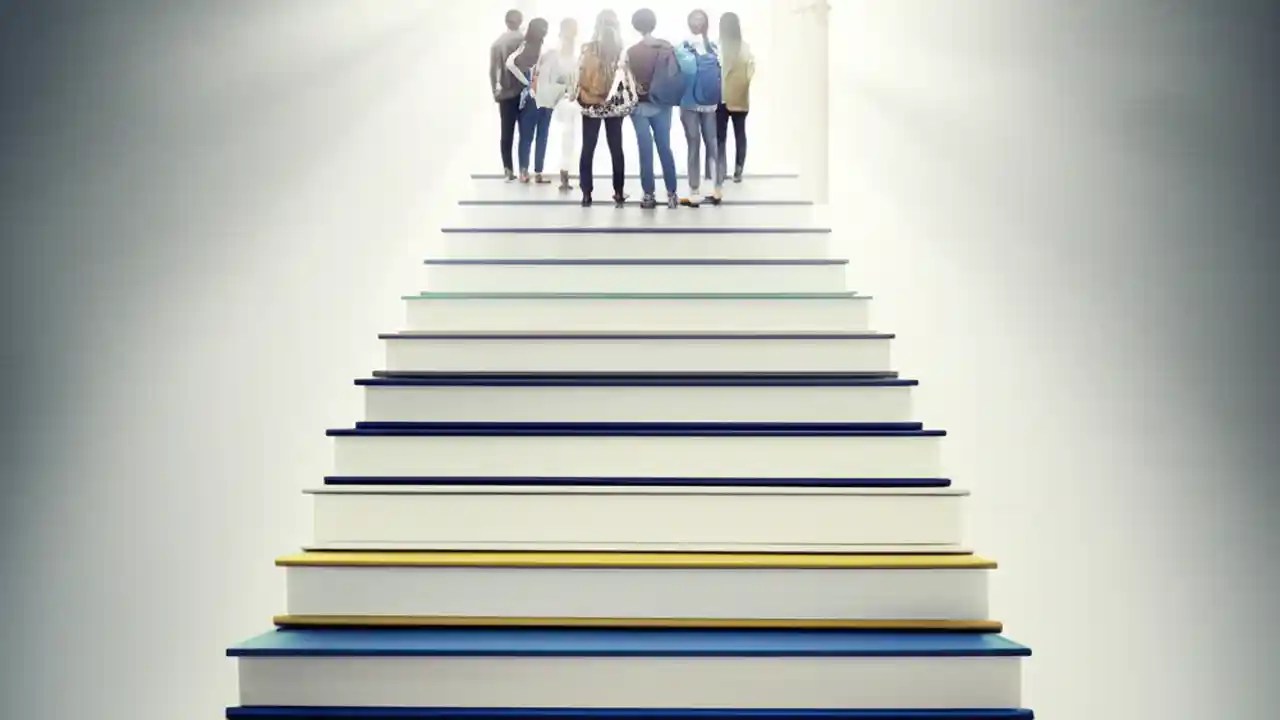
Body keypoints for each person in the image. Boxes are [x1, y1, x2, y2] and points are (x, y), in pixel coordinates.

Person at [573, 10, 636, 207]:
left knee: (588, 148)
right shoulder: (621, 51)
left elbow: (579, 77)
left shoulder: (587, 50)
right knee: (616, 148)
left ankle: (586, 193)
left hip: (591, 104)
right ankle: (618, 191)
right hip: (614, 105)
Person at [626, 9, 680, 209]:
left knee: (645, 150)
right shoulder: (666, 47)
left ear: (635, 26)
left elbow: (628, 81)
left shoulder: (631, 52)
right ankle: (672, 193)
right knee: (664, 147)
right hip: (663, 104)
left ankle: (648, 194)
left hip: (639, 106)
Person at [678, 9, 723, 207]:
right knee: (711, 143)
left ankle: (696, 189)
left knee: (695, 144)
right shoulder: (713, 46)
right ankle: (715, 188)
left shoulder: (682, 46)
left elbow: (685, 70)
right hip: (708, 102)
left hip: (690, 101)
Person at [535, 18, 581, 191]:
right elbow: (547, 79)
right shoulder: (555, 53)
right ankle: (563, 174)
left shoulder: (571, 52)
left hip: (567, 100)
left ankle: (564, 174)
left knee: (568, 138)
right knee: (566, 138)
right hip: (563, 100)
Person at [505, 18, 551, 183]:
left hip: (532, 96)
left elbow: (510, 63)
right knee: (541, 135)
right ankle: (537, 172)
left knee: (527, 135)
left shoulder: (526, 46)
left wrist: (526, 82)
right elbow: (510, 63)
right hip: (544, 95)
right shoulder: (541, 48)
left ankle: (525, 172)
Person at [716, 12, 754, 183]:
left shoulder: (718, 47)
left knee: (720, 136)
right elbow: (751, 72)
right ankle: (738, 171)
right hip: (740, 97)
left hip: (721, 97)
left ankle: (721, 170)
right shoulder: (745, 47)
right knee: (740, 133)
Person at [489, 9, 525, 181]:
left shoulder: (497, 44)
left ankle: (508, 169)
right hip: (524, 92)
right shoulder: (525, 41)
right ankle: (525, 168)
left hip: (505, 93)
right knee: (525, 132)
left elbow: (492, 71)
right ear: (520, 22)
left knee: (507, 132)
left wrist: (494, 91)